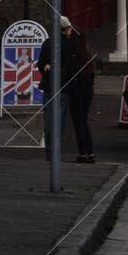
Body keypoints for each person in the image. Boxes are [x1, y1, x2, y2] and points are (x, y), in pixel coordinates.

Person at [38, 16, 96, 163]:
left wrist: (49, 68)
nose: (70, 31)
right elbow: (76, 69)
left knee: (50, 123)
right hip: (68, 89)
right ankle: (64, 154)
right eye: (68, 28)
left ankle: (51, 154)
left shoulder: (48, 43)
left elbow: (40, 64)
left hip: (53, 88)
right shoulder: (76, 47)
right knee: (63, 124)